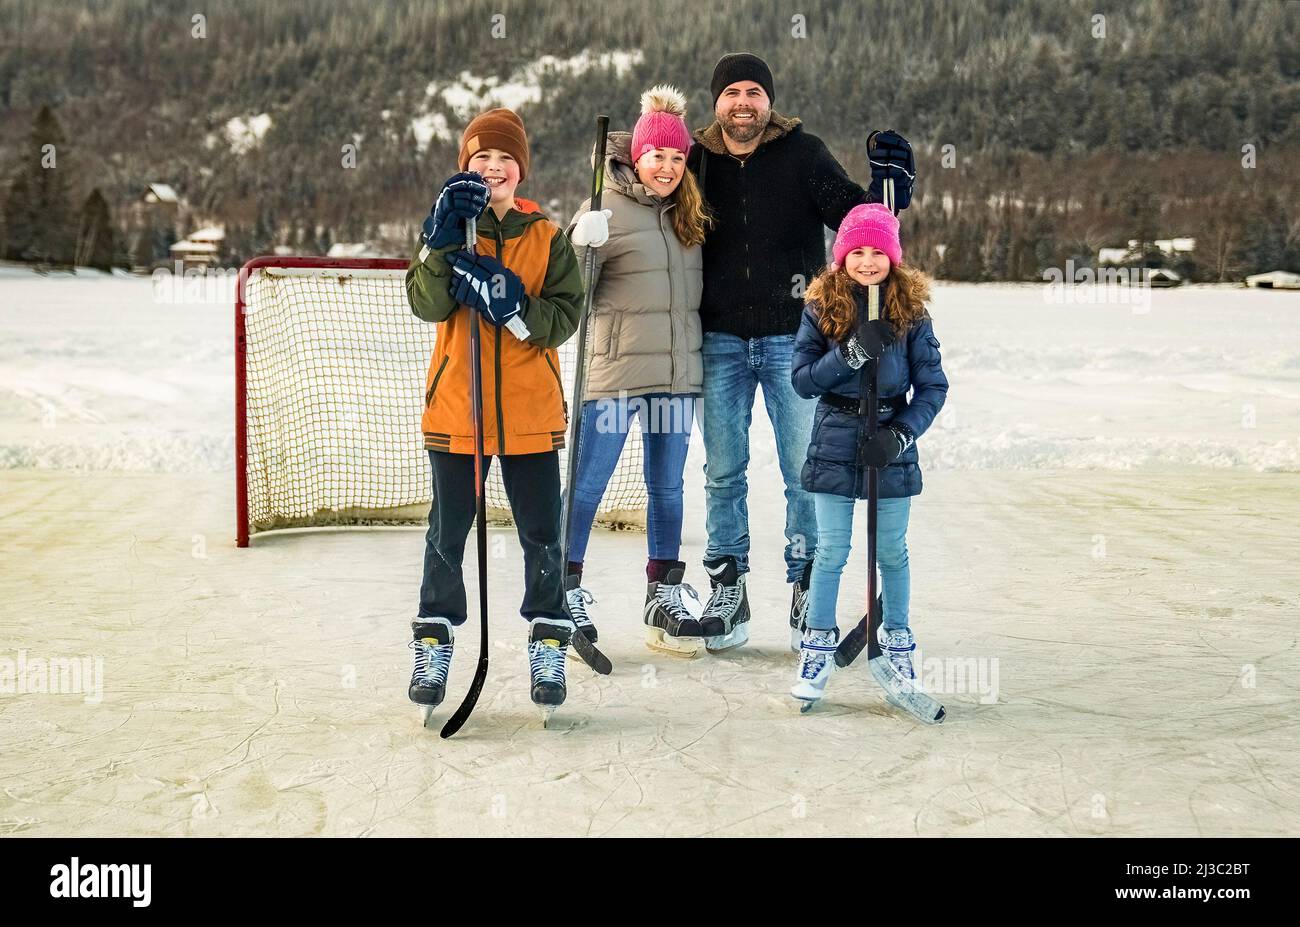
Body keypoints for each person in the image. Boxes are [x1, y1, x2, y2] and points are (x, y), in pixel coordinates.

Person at [685, 52, 914, 652]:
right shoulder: (695, 161)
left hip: (795, 336)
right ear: (717, 102)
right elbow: (655, 202)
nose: (743, 102)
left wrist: (888, 196)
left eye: (754, 93)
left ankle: (805, 583)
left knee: (801, 471)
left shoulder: (803, 153)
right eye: (732, 91)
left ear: (769, 101)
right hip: (719, 339)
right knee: (723, 472)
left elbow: (855, 218)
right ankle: (728, 588)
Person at [404, 108, 585, 715]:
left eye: (506, 158)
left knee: (541, 533)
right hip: (460, 411)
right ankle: (434, 635)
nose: (495, 167)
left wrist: (514, 310)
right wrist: (437, 245)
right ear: (466, 167)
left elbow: (563, 317)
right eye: (482, 158)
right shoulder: (450, 229)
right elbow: (427, 306)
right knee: (447, 530)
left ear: (520, 168)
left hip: (530, 412)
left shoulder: (546, 234)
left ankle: (548, 635)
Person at [564, 85, 712, 657]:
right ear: (637, 155)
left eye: (678, 157)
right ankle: (565, 587)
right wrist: (582, 245)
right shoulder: (603, 207)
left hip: (676, 377)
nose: (669, 167)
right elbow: (573, 296)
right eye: (658, 156)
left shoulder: (690, 213)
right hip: (615, 378)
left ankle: (663, 593)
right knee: (588, 484)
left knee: (667, 487)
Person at [788, 203, 948, 706]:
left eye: (878, 250)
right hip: (835, 437)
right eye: (856, 250)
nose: (867, 260)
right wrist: (852, 352)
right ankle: (816, 646)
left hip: (889, 443)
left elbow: (933, 388)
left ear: (893, 257)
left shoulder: (912, 313)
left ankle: (897, 641)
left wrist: (901, 434)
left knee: (891, 552)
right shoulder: (820, 306)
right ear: (841, 256)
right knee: (831, 551)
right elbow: (802, 381)